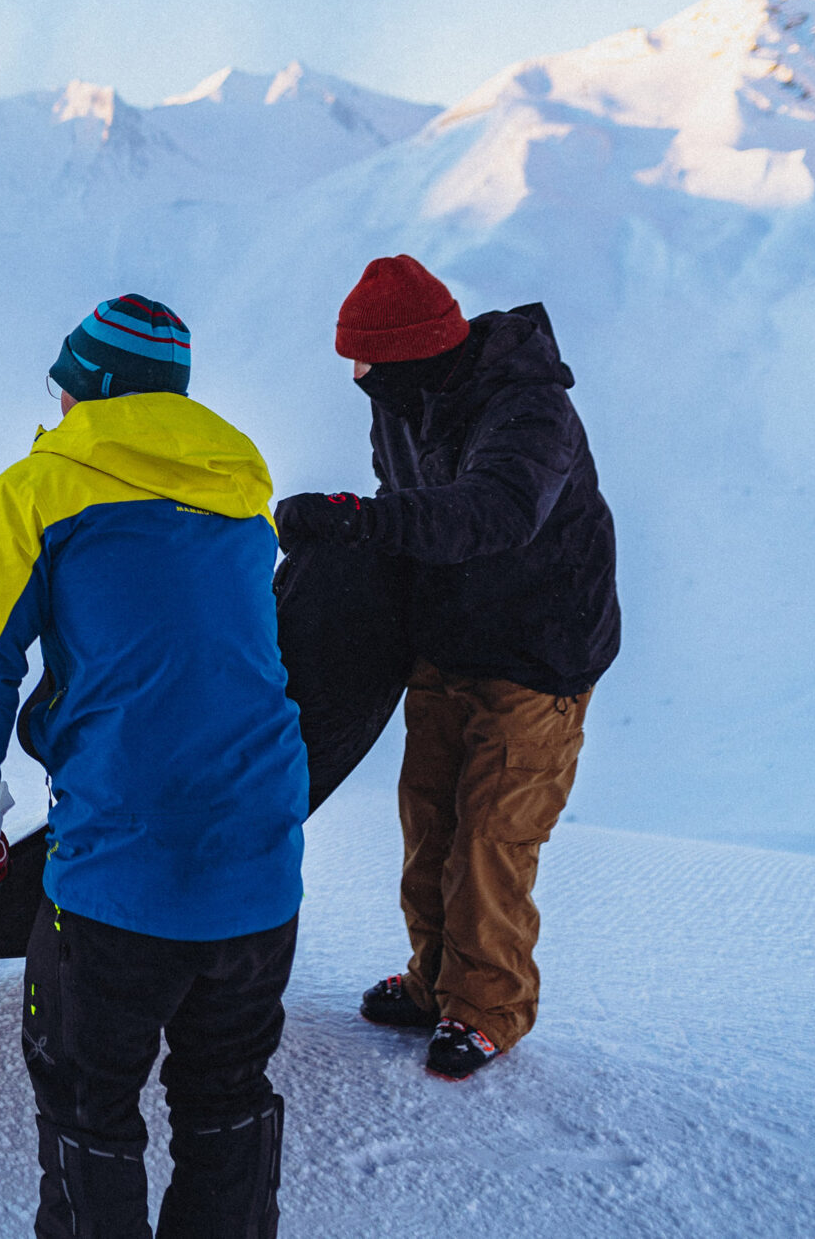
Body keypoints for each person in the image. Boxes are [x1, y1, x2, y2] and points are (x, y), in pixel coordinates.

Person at [0, 294, 305, 1239]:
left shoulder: (40, 489)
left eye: (61, 388)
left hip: (118, 872)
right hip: (261, 866)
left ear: (88, 389)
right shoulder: (242, 491)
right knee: (227, 1097)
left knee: (88, 1105)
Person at [274, 255, 619, 1082]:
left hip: (539, 652)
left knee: (493, 837)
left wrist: (361, 520)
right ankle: (435, 980)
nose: (358, 378)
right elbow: (407, 506)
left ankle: (488, 1005)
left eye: (367, 360)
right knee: (429, 819)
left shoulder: (530, 407)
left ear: (414, 351)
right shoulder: (406, 402)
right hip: (447, 637)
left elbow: (493, 511)